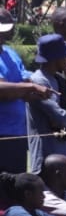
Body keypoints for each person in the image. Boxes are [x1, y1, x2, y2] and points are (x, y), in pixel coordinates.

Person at [27, 35, 66, 175]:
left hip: (63, 152)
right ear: (55, 57)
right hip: (45, 154)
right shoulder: (38, 81)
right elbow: (60, 117)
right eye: (65, 55)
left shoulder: (60, 80)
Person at [0, 9, 30, 174]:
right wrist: (28, 88)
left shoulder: (10, 54)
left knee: (16, 186)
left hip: (17, 133)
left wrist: (30, 84)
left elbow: (24, 77)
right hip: (1, 134)